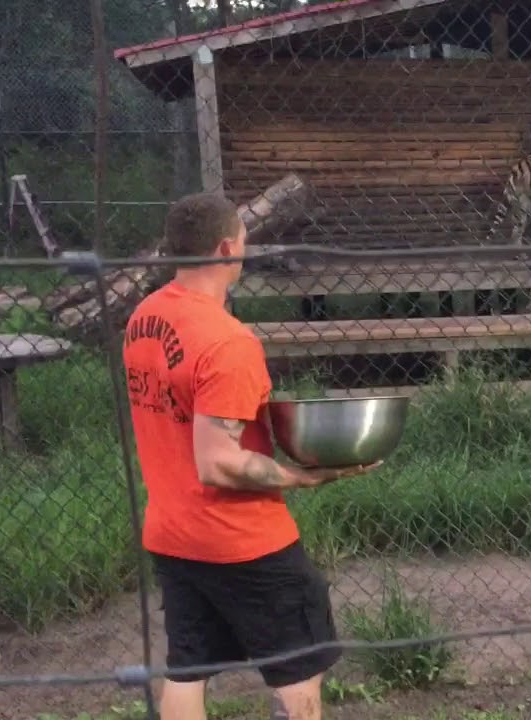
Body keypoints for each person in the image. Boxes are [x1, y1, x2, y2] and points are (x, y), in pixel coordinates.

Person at [121, 192, 379, 720]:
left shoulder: (142, 319)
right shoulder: (227, 342)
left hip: (172, 533)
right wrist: (304, 477)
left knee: (187, 668)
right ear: (224, 249)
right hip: (242, 541)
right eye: (242, 241)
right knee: (300, 666)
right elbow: (218, 463)